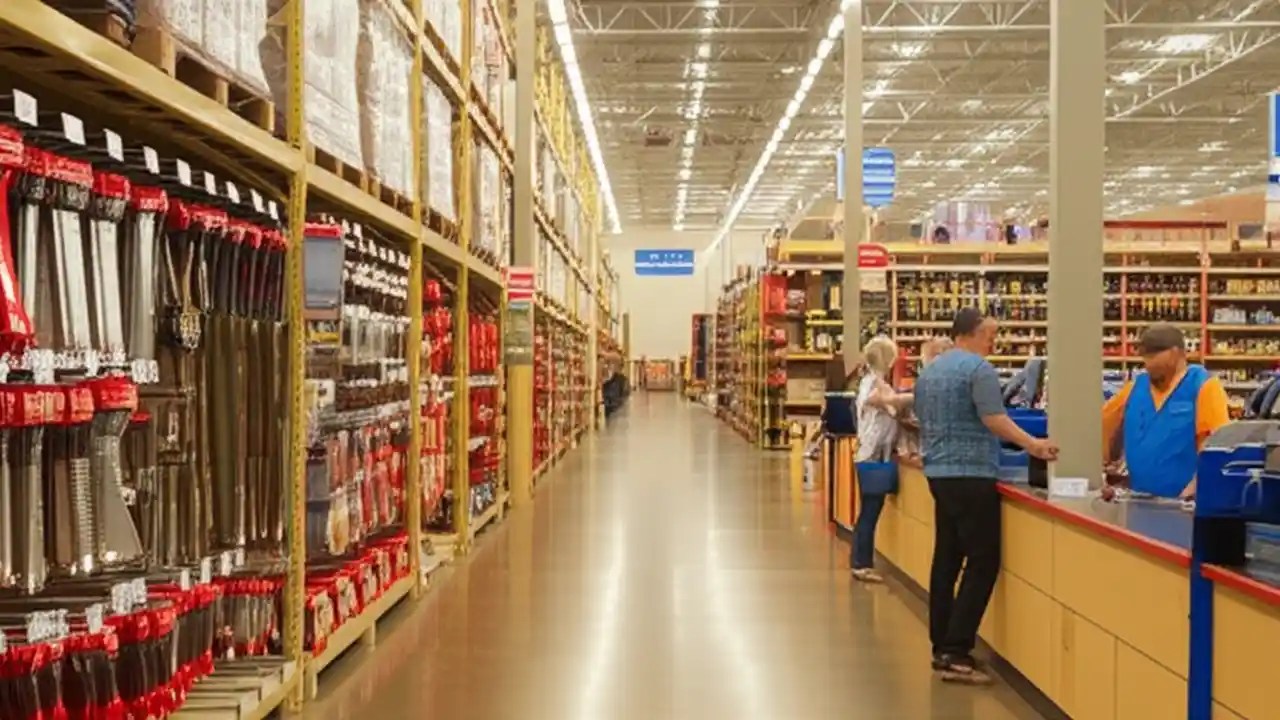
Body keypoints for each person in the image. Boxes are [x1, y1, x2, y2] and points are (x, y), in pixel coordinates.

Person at [914, 308, 1058, 684]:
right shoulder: (980, 371)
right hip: (973, 474)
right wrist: (1034, 444)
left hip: (938, 473)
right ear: (970, 334)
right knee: (983, 560)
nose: (993, 343)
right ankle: (958, 650)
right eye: (990, 335)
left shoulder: (930, 371)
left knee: (946, 558)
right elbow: (994, 418)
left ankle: (940, 643)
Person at [1101, 324, 1231, 499]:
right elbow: (1102, 424)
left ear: (1176, 353)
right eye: (1145, 357)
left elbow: (1215, 447)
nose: (1148, 364)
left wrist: (1193, 489)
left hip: (1185, 504)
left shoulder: (1203, 386)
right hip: (1139, 500)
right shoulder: (1135, 388)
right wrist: (1101, 470)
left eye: (1154, 356)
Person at [850, 336, 913, 583]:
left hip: (872, 454)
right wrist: (907, 400)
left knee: (869, 510)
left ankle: (862, 561)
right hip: (871, 457)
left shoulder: (874, 381)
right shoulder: (872, 384)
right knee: (869, 511)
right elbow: (886, 403)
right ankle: (861, 563)